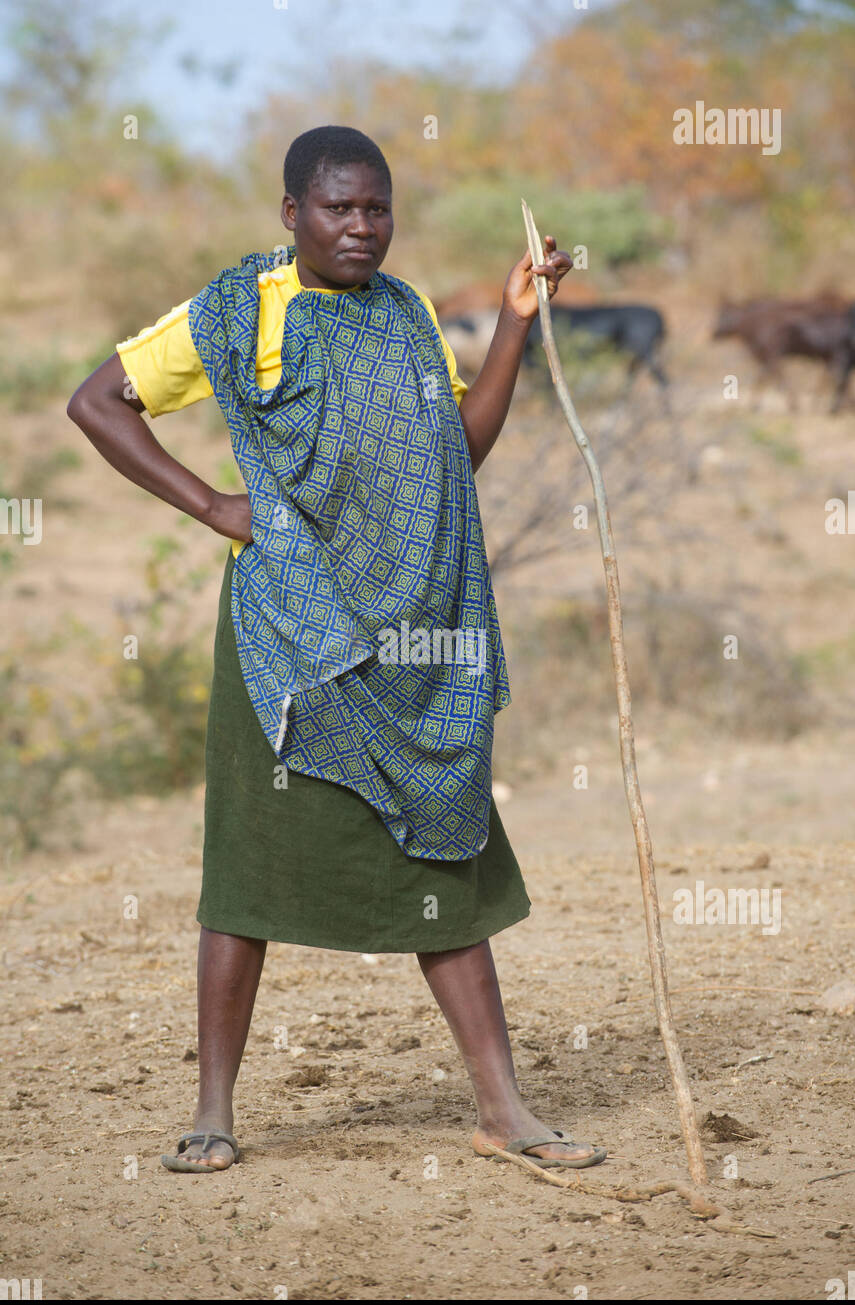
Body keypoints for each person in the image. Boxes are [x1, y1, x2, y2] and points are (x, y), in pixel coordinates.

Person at [67, 125, 607, 1176]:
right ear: (292, 215)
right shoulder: (238, 310)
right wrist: (216, 504)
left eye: (377, 210)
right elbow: (98, 401)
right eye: (339, 209)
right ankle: (213, 1112)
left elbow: (457, 456)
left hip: (411, 639)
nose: (361, 228)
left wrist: (512, 322)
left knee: (442, 849)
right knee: (248, 870)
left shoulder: (408, 316)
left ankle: (504, 1109)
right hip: (288, 642)